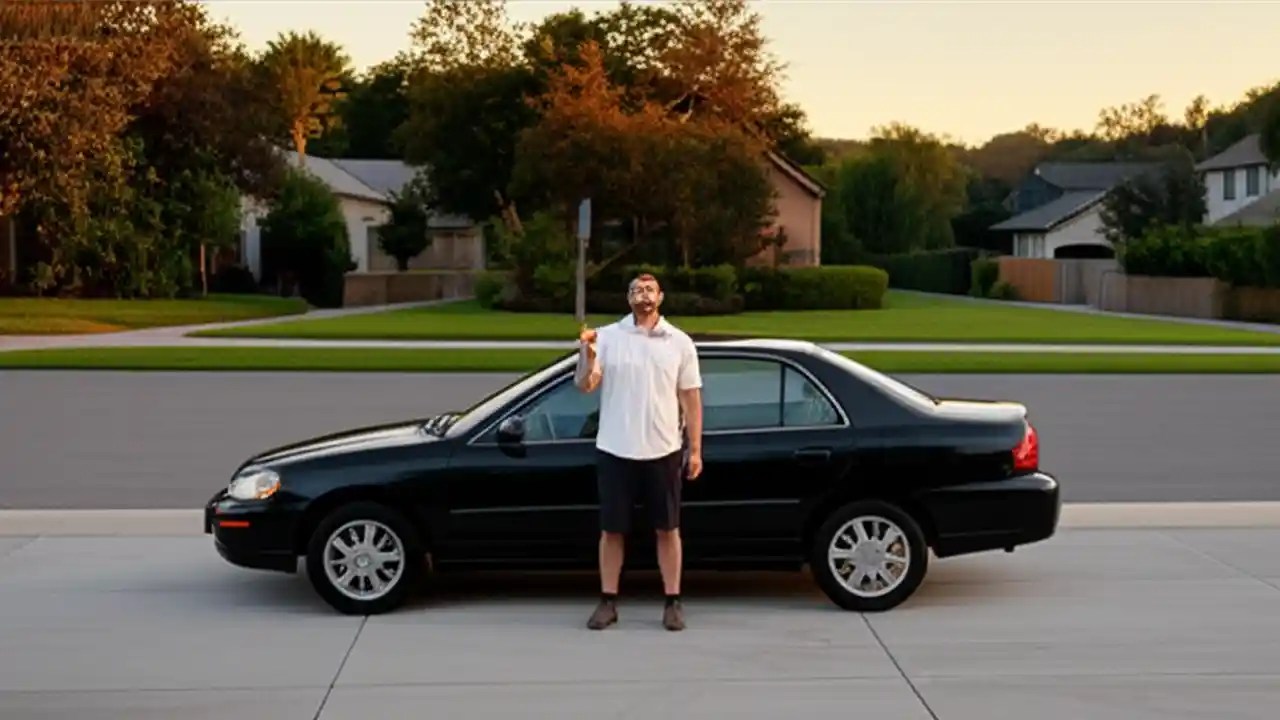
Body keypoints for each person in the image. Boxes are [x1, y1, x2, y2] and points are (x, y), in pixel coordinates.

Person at [574, 272, 703, 631]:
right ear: (627, 297)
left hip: (663, 449)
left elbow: (690, 398)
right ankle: (608, 601)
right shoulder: (608, 338)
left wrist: (695, 450)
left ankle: (673, 601)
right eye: (636, 289)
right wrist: (586, 353)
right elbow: (586, 385)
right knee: (612, 530)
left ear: (660, 296)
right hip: (616, 448)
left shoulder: (679, 342)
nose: (643, 294)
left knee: (668, 528)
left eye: (649, 289)